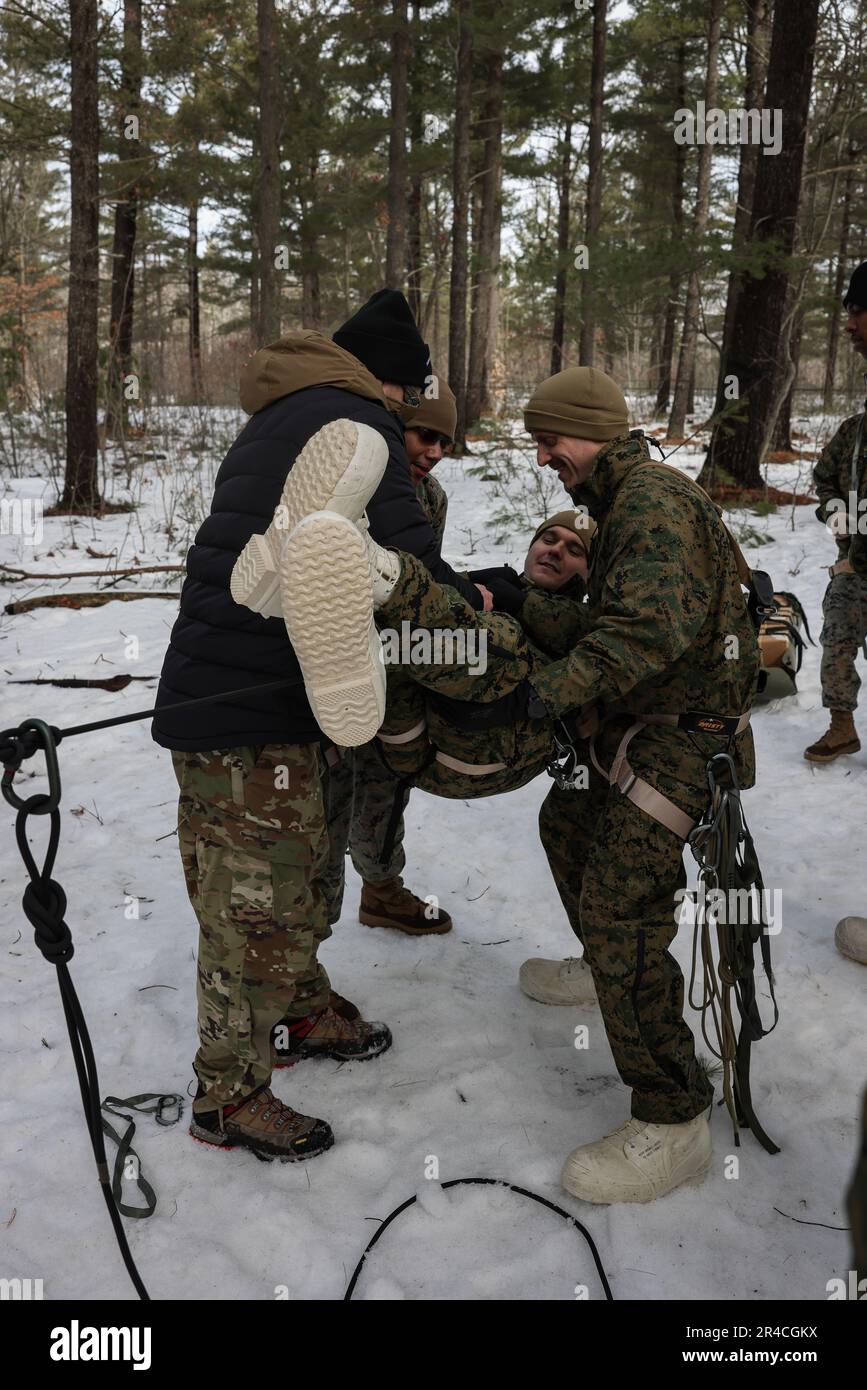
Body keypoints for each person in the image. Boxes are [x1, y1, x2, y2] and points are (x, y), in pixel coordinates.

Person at [246, 365, 759, 1204]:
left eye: (549, 441)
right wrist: (517, 602)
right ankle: (376, 593)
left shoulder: (650, 505)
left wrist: (541, 690)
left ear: (587, 428)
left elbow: (642, 636)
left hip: (676, 743)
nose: (543, 457)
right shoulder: (622, 503)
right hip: (630, 725)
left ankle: (673, 1118)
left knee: (622, 913)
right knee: (566, 827)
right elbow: (605, 621)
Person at [152, 289, 492, 1163]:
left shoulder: (281, 417)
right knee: (251, 906)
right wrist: (478, 611)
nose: (419, 422)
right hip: (245, 712)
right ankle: (227, 1096)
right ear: (396, 387)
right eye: (416, 402)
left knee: (297, 876)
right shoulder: (356, 433)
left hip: (267, 694)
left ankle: (301, 1009)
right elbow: (410, 570)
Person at [322, 373, 461, 938]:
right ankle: (306, 941)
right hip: (327, 666)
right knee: (327, 799)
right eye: (423, 434)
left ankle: (381, 891)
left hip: (394, 665)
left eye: (445, 442)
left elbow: (421, 583)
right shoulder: (348, 482)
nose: (434, 452)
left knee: (387, 780)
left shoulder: (431, 498)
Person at [804, 260, 867, 764]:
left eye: (859, 312)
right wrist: (841, 522)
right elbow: (824, 477)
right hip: (856, 568)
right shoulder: (856, 429)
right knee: (838, 638)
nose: (848, 325)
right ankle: (841, 727)